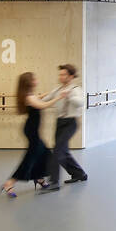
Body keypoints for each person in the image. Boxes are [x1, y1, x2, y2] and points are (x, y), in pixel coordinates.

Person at [1, 73, 60, 197]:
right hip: (31, 130)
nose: (36, 80)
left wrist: (52, 92)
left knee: (44, 153)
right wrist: (58, 97)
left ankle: (39, 178)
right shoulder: (28, 97)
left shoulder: (29, 95)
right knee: (30, 158)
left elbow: (39, 97)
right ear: (29, 82)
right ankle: (10, 182)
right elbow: (42, 105)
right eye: (34, 79)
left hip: (33, 130)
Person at [40, 63, 87, 192]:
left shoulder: (76, 89)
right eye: (60, 74)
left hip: (71, 122)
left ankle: (54, 182)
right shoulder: (57, 90)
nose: (60, 77)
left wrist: (69, 96)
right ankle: (79, 174)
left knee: (58, 150)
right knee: (63, 151)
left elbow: (81, 103)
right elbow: (45, 100)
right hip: (59, 122)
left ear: (71, 76)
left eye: (63, 74)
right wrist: (32, 100)